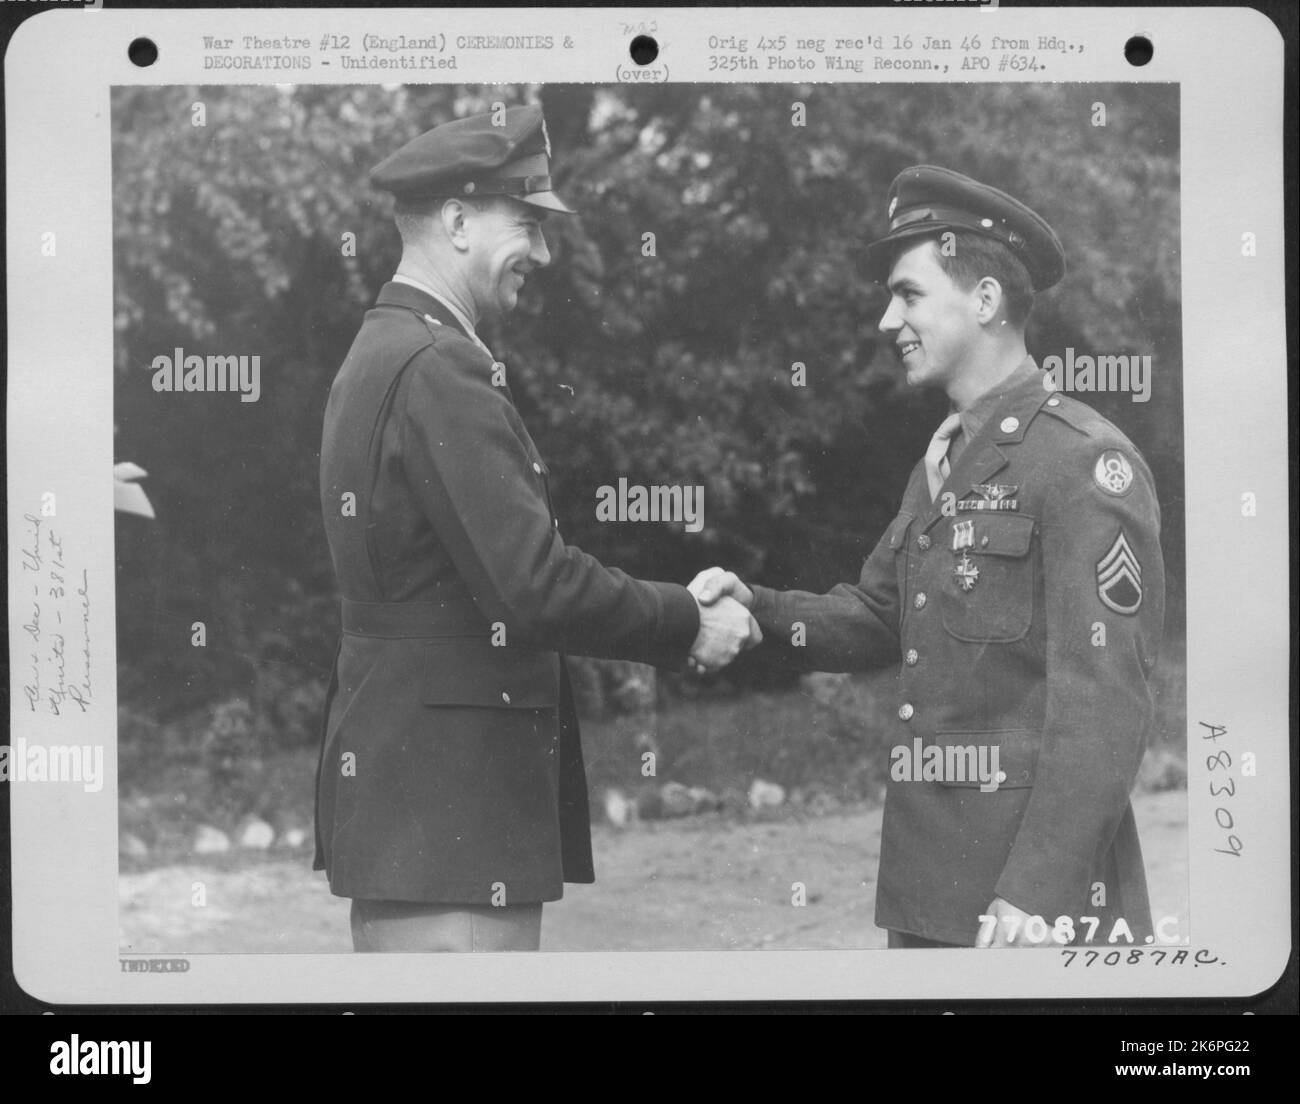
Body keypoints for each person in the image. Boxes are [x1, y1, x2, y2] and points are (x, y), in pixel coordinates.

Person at [313, 104, 759, 953]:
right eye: (527, 225)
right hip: (456, 813)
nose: (544, 255)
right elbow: (535, 585)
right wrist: (687, 621)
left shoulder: (381, 351)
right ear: (455, 222)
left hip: (410, 807)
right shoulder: (440, 366)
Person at [697, 166, 1165, 948]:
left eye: (908, 295)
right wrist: (759, 610)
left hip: (1030, 909)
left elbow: (1105, 703)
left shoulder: (1083, 464)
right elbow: (881, 613)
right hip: (932, 892)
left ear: (983, 300)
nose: (886, 320)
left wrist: (1036, 893)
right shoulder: (944, 461)